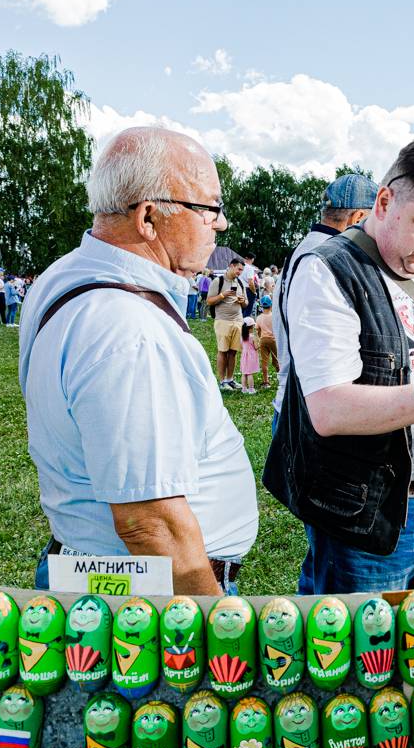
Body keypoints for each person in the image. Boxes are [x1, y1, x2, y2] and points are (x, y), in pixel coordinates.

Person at [18, 126, 256, 596]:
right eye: (210, 208)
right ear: (149, 217)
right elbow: (151, 524)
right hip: (147, 594)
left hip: (97, 571)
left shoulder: (65, 274)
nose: (221, 224)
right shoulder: (128, 330)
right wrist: (215, 629)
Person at [266, 136, 414, 594]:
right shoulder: (329, 269)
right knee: (361, 657)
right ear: (383, 202)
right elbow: (330, 409)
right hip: (368, 517)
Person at [270, 172, 379, 433]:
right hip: (308, 412)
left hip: (294, 402)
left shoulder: (305, 250)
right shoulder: (329, 259)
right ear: (359, 218)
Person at [206, 257, 247, 390]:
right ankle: (222, 381)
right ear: (231, 266)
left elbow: (246, 303)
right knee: (223, 351)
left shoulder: (240, 282)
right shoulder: (218, 281)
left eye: (242, 270)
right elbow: (209, 301)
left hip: (238, 320)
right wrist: (223, 295)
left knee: (233, 352)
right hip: (223, 320)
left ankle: (230, 379)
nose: (240, 272)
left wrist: (242, 301)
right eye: (238, 269)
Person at [255, 295, 277, 389]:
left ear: (261, 306)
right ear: (271, 305)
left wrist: (260, 338)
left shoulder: (259, 318)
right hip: (273, 340)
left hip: (263, 340)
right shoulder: (274, 317)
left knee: (264, 361)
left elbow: (258, 330)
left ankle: (266, 381)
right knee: (276, 360)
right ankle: (282, 379)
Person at [239, 316, 259, 394]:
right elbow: (256, 347)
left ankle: (244, 388)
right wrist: (258, 341)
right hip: (251, 356)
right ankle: (251, 389)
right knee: (250, 373)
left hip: (244, 356)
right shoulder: (252, 337)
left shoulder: (242, 337)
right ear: (250, 328)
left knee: (244, 373)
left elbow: (241, 346)